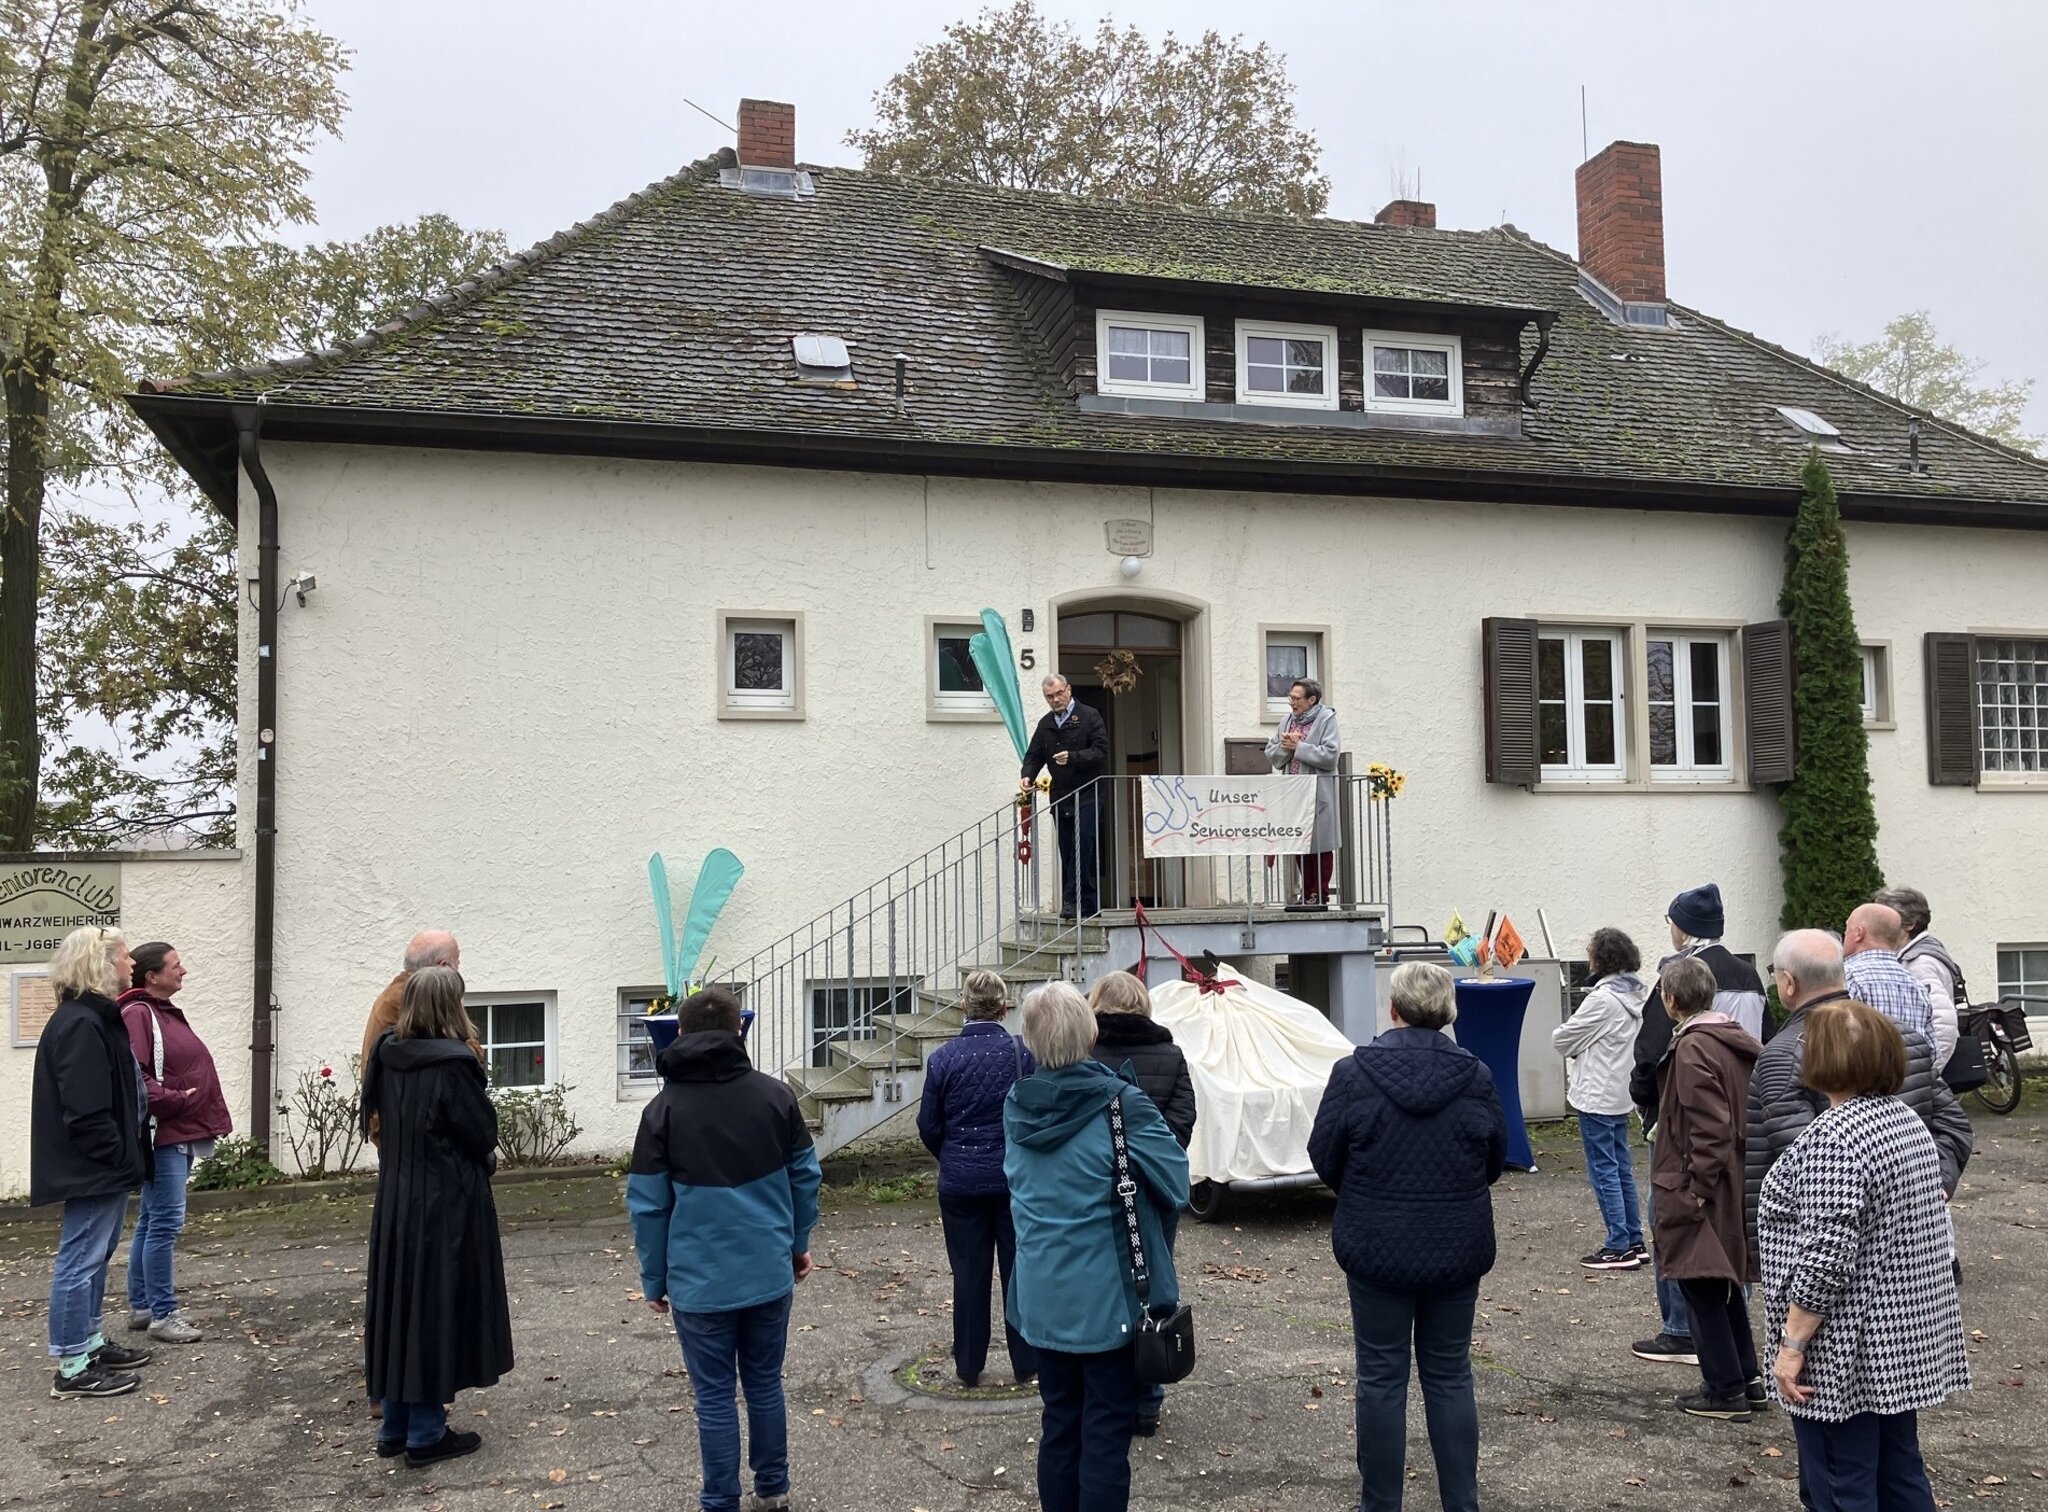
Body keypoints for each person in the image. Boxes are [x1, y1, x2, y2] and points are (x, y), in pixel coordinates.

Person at [1308, 961, 1505, 1512]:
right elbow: (1493, 1159)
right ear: (1447, 1012)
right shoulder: (1477, 1075)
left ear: (1392, 1009)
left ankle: (1380, 1504)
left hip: (1377, 1247)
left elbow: (1324, 1156)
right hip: (1455, 1246)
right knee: (1449, 1376)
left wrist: (1367, 1190)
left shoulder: (1353, 1074)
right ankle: (1461, 1504)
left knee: (1380, 1378)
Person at [1760, 1000, 1968, 1510]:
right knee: (1900, 1474)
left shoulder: (1834, 1139)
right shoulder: (1906, 1122)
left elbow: (1826, 1258)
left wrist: (1792, 1346)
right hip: (1899, 1341)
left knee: (1839, 1483)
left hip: (1844, 1348)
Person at [629, 985, 822, 1512]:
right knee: (764, 1383)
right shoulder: (777, 1097)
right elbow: (806, 1178)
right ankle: (774, 1488)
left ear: (682, 1032)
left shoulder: (661, 1110)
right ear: (740, 1030)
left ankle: (720, 1501)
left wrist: (655, 1277)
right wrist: (798, 1243)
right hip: (766, 1269)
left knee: (713, 1396)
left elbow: (647, 1206)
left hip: (697, 1280)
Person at [1006, 981, 1188, 1512]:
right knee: (1107, 1431)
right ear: (1091, 1034)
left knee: (1060, 1424)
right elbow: (1177, 1183)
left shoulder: (1015, 1106)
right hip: (1109, 1299)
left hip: (1040, 1294)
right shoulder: (1120, 1104)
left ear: (1031, 1043)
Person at [1745, 931, 1972, 1279]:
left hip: (1829, 1251)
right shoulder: (1898, 1035)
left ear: (1788, 982)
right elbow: (1954, 1126)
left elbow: (1805, 1160)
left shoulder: (1783, 1054)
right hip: (1911, 1241)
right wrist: (1933, 1186)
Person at [360, 966, 513, 1468]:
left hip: (397, 1198)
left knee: (400, 1304)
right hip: (445, 1203)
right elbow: (479, 1134)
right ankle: (426, 1432)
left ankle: (395, 1425)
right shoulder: (452, 1064)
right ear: (452, 1007)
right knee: (433, 1306)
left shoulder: (386, 1054)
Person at [1628, 881, 1769, 1366]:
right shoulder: (1749, 976)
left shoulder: (1678, 976)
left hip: (1688, 1124)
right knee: (1733, 1235)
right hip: (1747, 1114)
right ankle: (1735, 1348)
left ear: (1682, 928)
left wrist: (1646, 1102)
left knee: (1676, 1223)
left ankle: (1682, 1330)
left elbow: (1649, 1053)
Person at [31, 926, 154, 1399]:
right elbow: (85, 1111)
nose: (130, 965)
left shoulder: (92, 1017)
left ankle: (90, 1341)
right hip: (92, 1167)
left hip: (101, 1165)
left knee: (94, 1257)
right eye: (125, 958)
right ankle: (72, 1363)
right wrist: (117, 1156)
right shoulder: (81, 1023)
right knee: (79, 1260)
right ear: (101, 965)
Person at [1649, 956, 1763, 1422]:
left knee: (1700, 1285)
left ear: (1671, 1001)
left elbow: (1709, 1126)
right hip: (1731, 1177)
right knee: (1722, 1283)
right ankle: (1747, 1378)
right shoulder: (1730, 1038)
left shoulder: (1695, 1048)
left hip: (1704, 1183)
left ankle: (1724, 1388)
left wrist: (1695, 1188)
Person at [916, 970, 1038, 1390]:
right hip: (1013, 1181)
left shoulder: (943, 1059)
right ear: (1005, 1008)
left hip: (961, 1183)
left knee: (968, 1274)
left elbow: (929, 1125)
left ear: (963, 1006)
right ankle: (1026, 1361)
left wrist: (951, 1156)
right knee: (1018, 1270)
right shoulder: (1024, 1054)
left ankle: (968, 1364)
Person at [1088, 968, 1196, 1434]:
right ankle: (1149, 1396)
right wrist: (1152, 1161)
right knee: (1153, 1284)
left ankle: (1106, 1391)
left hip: (1094, 1187)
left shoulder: (1085, 1053)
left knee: (1101, 1287)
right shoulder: (1170, 1054)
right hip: (1154, 1192)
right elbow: (1184, 1118)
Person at [119, 942, 231, 1344]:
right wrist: (177, 1100)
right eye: (175, 965)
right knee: (163, 1223)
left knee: (152, 1220)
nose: (183, 971)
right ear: (152, 976)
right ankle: (163, 1315)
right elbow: (137, 1078)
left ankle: (143, 1306)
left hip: (176, 1129)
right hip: (165, 1131)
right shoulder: (139, 1014)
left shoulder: (155, 1012)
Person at [1551, 928, 1650, 1271]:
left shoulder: (1602, 999)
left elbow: (1563, 1039)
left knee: (1603, 1169)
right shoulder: (1639, 993)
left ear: (1601, 959)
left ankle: (1618, 1244)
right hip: (1621, 1091)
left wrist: (1581, 1046)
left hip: (1596, 1092)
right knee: (1621, 1168)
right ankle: (1634, 1239)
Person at [1020, 673, 1110, 920]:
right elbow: (1033, 755)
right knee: (1068, 850)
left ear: (1068, 690)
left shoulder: (1090, 716)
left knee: (1084, 846)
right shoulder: (1046, 723)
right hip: (1061, 796)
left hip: (1089, 793)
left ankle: (1072, 901)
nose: (1055, 699)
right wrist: (1027, 776)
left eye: (1059, 693)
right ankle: (1089, 905)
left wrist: (1073, 757)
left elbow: (1100, 751)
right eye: (1050, 697)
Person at [1088, 971, 1197, 1148]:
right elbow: (1183, 1114)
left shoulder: (1083, 1052)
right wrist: (1163, 1154)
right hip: (1156, 1161)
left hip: (1095, 1163)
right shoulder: (1172, 1054)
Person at [1264, 678, 1342, 908]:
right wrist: (1285, 747)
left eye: (1297, 699)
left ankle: (1319, 894)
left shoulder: (1326, 720)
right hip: (1294, 792)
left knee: (1321, 844)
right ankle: (1306, 893)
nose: (1292, 703)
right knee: (1300, 842)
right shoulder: (1287, 720)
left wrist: (1299, 747)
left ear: (1312, 700)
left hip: (1318, 793)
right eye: (1290, 697)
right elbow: (1272, 754)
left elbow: (1330, 755)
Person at [1875, 885, 1965, 1077]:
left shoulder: (1918, 963)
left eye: (1884, 918)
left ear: (1909, 924)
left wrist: (1927, 1074)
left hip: (1916, 1071)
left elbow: (1944, 1024)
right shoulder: (1912, 956)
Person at [361, 930, 473, 1065]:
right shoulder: (416, 1000)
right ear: (442, 966)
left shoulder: (400, 991)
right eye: (457, 960)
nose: (459, 965)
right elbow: (457, 1055)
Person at [1843, 903, 1935, 1039]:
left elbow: (1837, 1041)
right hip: (1908, 1060)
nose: (1844, 933)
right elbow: (1933, 1049)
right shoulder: (1917, 985)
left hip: (1863, 1060)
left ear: (1858, 933)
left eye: (1847, 928)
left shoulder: (1848, 977)